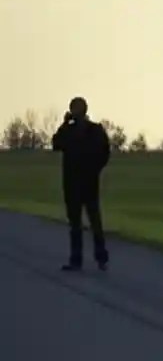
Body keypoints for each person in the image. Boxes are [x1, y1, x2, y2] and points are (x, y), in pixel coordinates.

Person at [50, 97, 111, 271]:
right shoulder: (69, 131)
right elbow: (55, 144)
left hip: (85, 181)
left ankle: (96, 257)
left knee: (92, 221)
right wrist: (63, 124)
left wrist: (95, 169)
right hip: (74, 182)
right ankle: (82, 259)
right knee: (78, 223)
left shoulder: (95, 130)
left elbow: (104, 152)